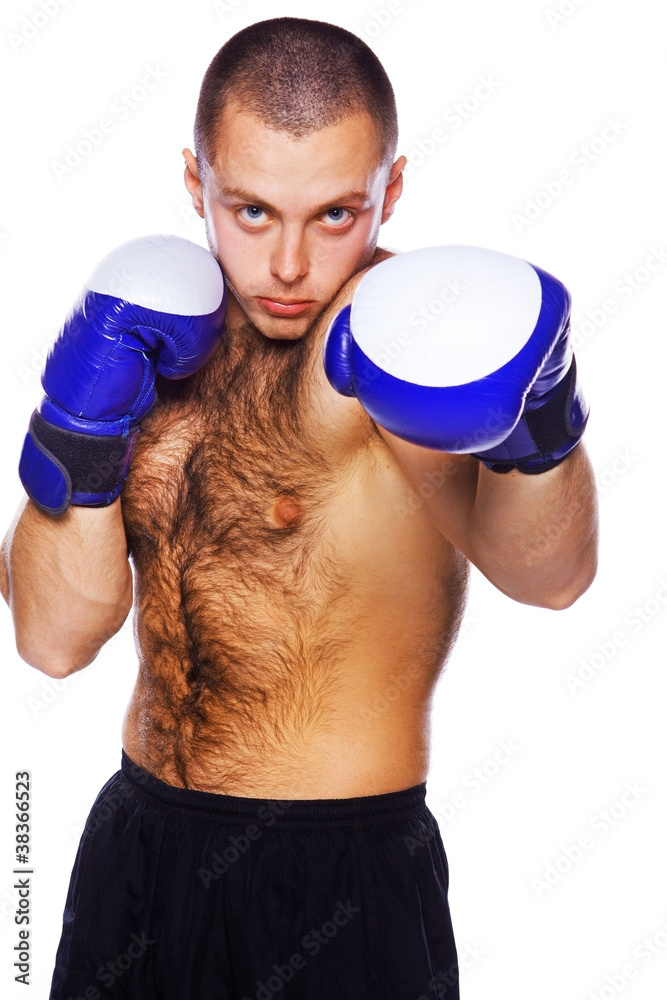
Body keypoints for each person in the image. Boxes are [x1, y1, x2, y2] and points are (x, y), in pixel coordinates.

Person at [0, 16, 598, 1000]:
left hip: (334, 879)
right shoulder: (155, 332)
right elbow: (51, 642)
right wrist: (77, 432)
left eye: (333, 214)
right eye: (250, 210)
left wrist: (543, 432)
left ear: (388, 191)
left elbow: (553, 578)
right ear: (194, 181)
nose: (286, 264)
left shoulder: (402, 342)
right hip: (134, 851)